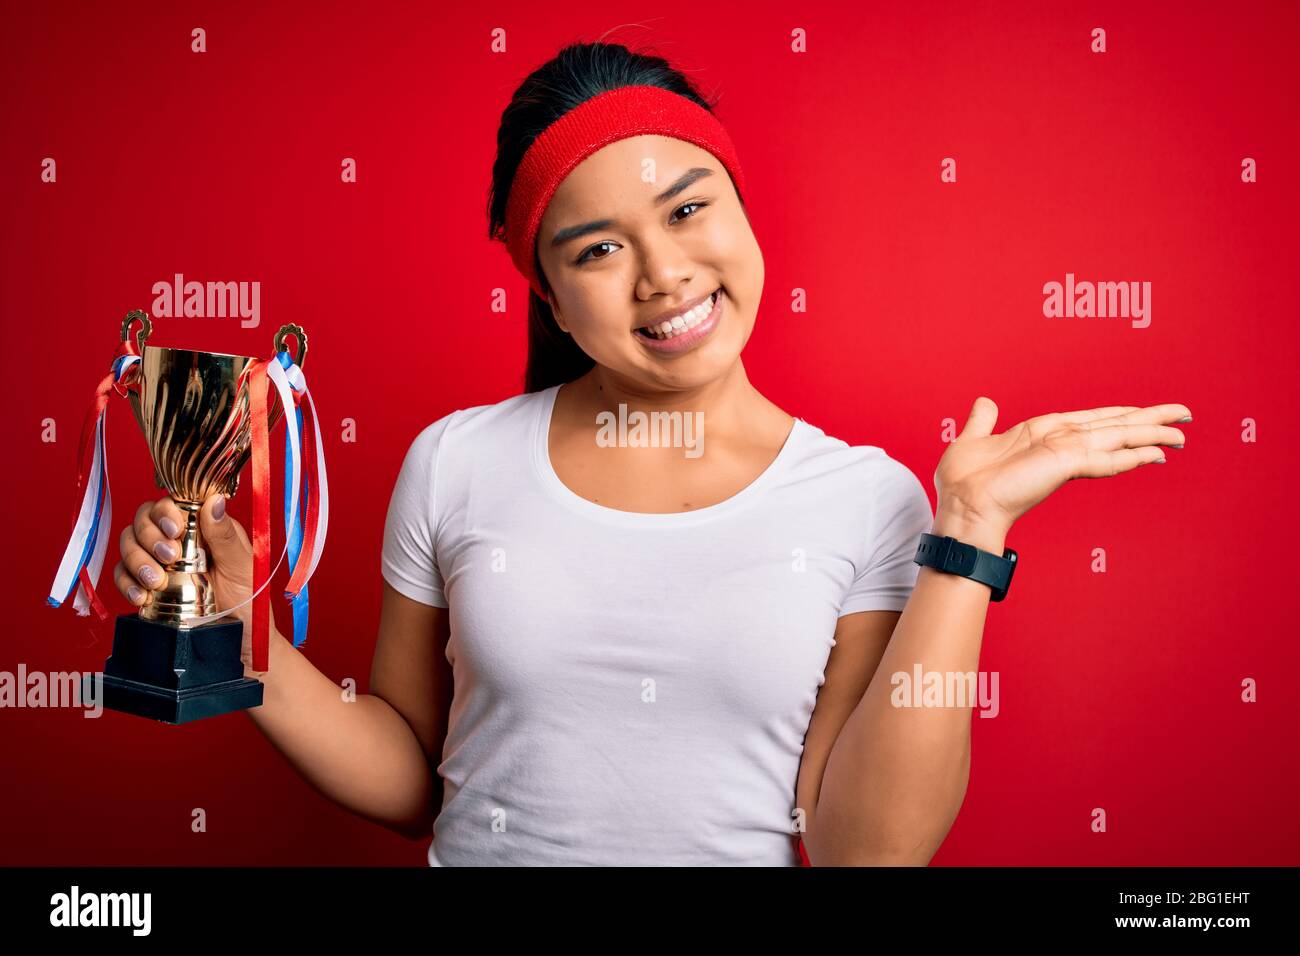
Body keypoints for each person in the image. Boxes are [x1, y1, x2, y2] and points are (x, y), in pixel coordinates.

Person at [110, 40, 1190, 866]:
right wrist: (233, 627)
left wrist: (966, 539)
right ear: (549, 294)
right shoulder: (455, 462)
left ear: (740, 207)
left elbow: (867, 847)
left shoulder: (867, 498)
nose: (663, 272)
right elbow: (413, 772)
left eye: (687, 208)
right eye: (598, 248)